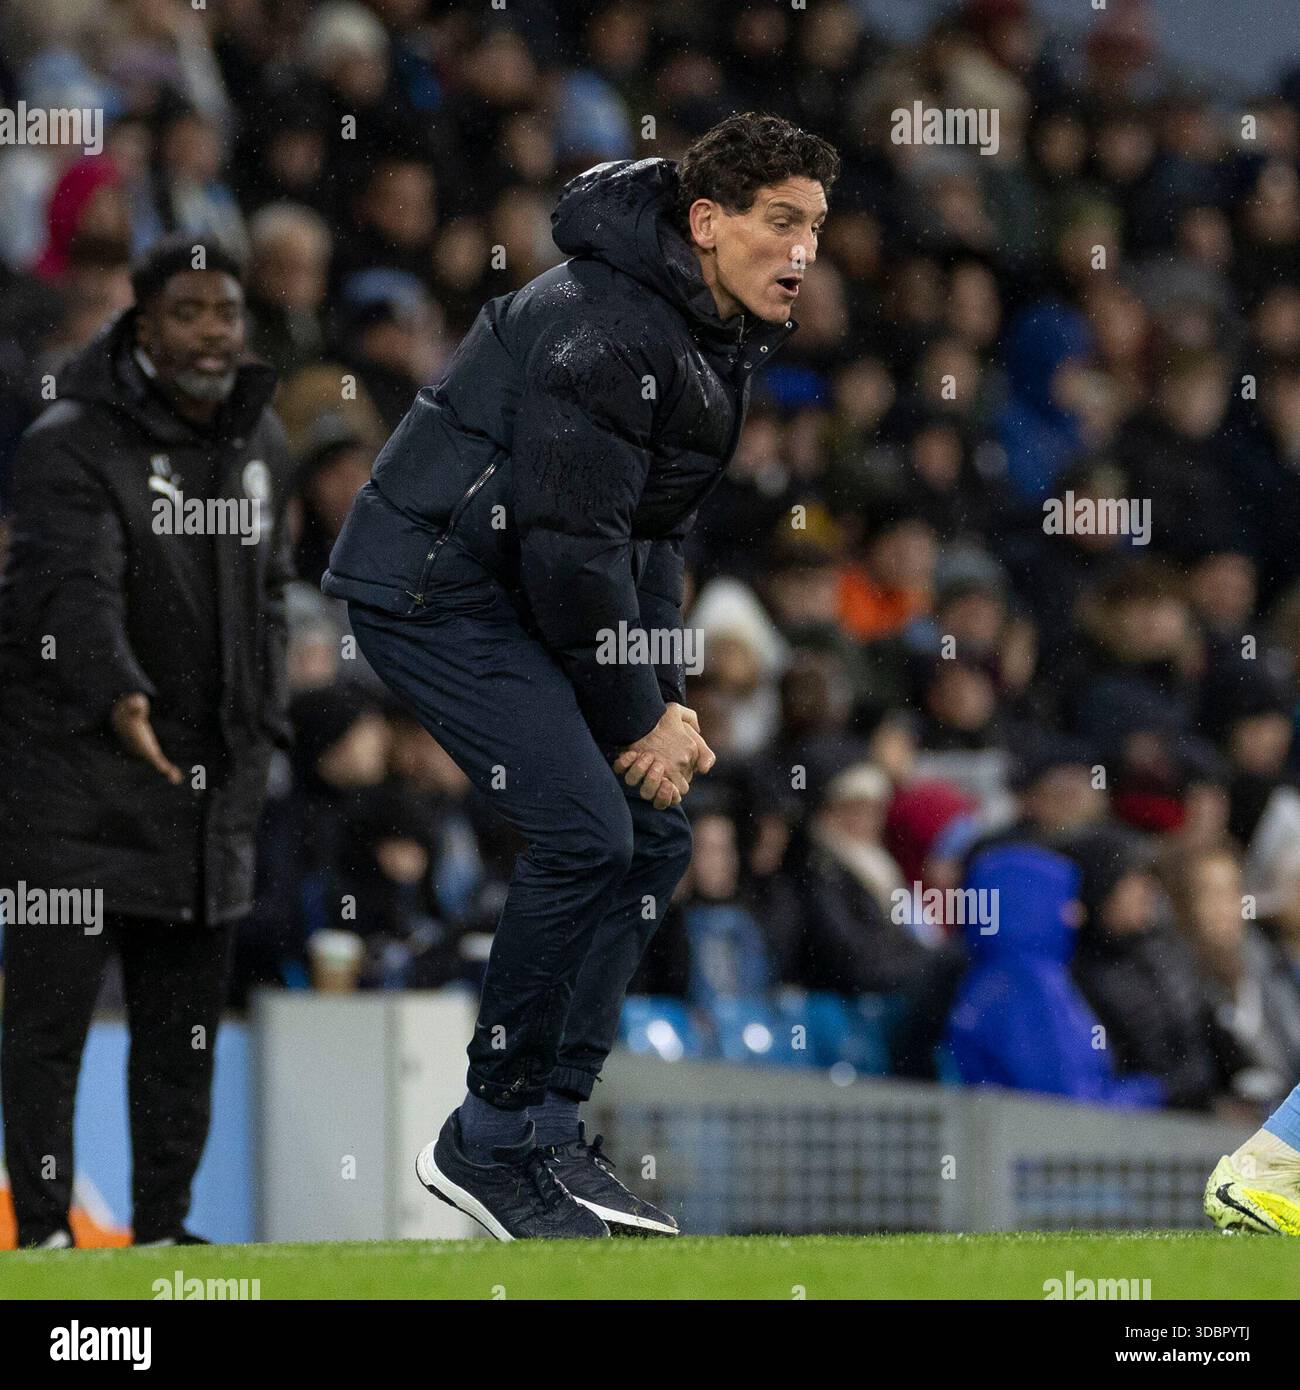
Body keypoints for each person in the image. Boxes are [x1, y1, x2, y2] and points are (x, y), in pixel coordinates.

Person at [322, 112, 839, 1239]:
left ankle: (551, 1126)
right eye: (781, 223)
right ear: (707, 222)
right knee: (585, 834)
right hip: (431, 588)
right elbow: (571, 553)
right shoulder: (604, 328)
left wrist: (665, 697)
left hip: (525, 583)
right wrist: (638, 712)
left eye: (816, 227)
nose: (804, 251)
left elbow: (645, 533)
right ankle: (485, 1135)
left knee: (654, 836)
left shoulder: (708, 325)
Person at [0, 234, 294, 1248]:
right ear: (143, 322)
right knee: (47, 1029)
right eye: (188, 311)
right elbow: (61, 588)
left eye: (226, 310)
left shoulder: (262, 446)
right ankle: (41, 1233)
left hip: (206, 787)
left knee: (184, 1036)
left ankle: (163, 1234)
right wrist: (118, 693)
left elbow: (270, 598)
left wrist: (264, 721)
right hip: (71, 784)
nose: (212, 330)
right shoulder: (71, 439)